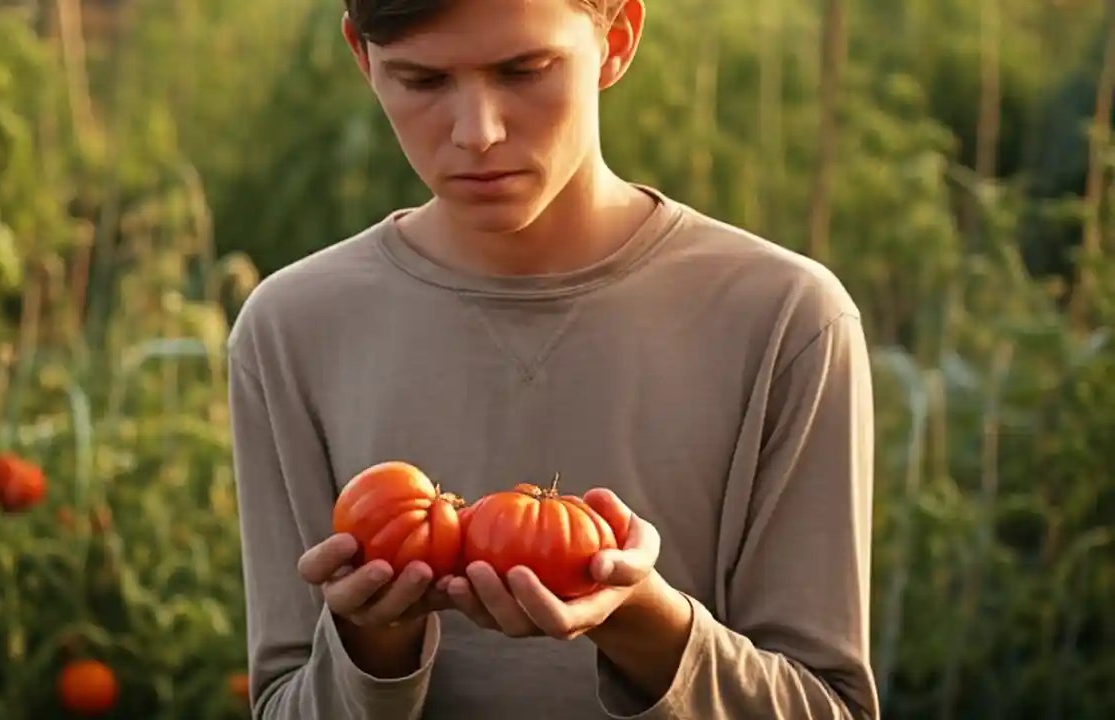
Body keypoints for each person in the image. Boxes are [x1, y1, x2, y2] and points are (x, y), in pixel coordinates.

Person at [226, 0, 880, 717]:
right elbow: (284, 705)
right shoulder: (293, 330)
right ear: (362, 57)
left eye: (525, 71)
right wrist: (370, 642)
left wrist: (644, 623)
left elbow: (831, 706)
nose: (478, 133)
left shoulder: (785, 320)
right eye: (421, 81)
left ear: (618, 36)